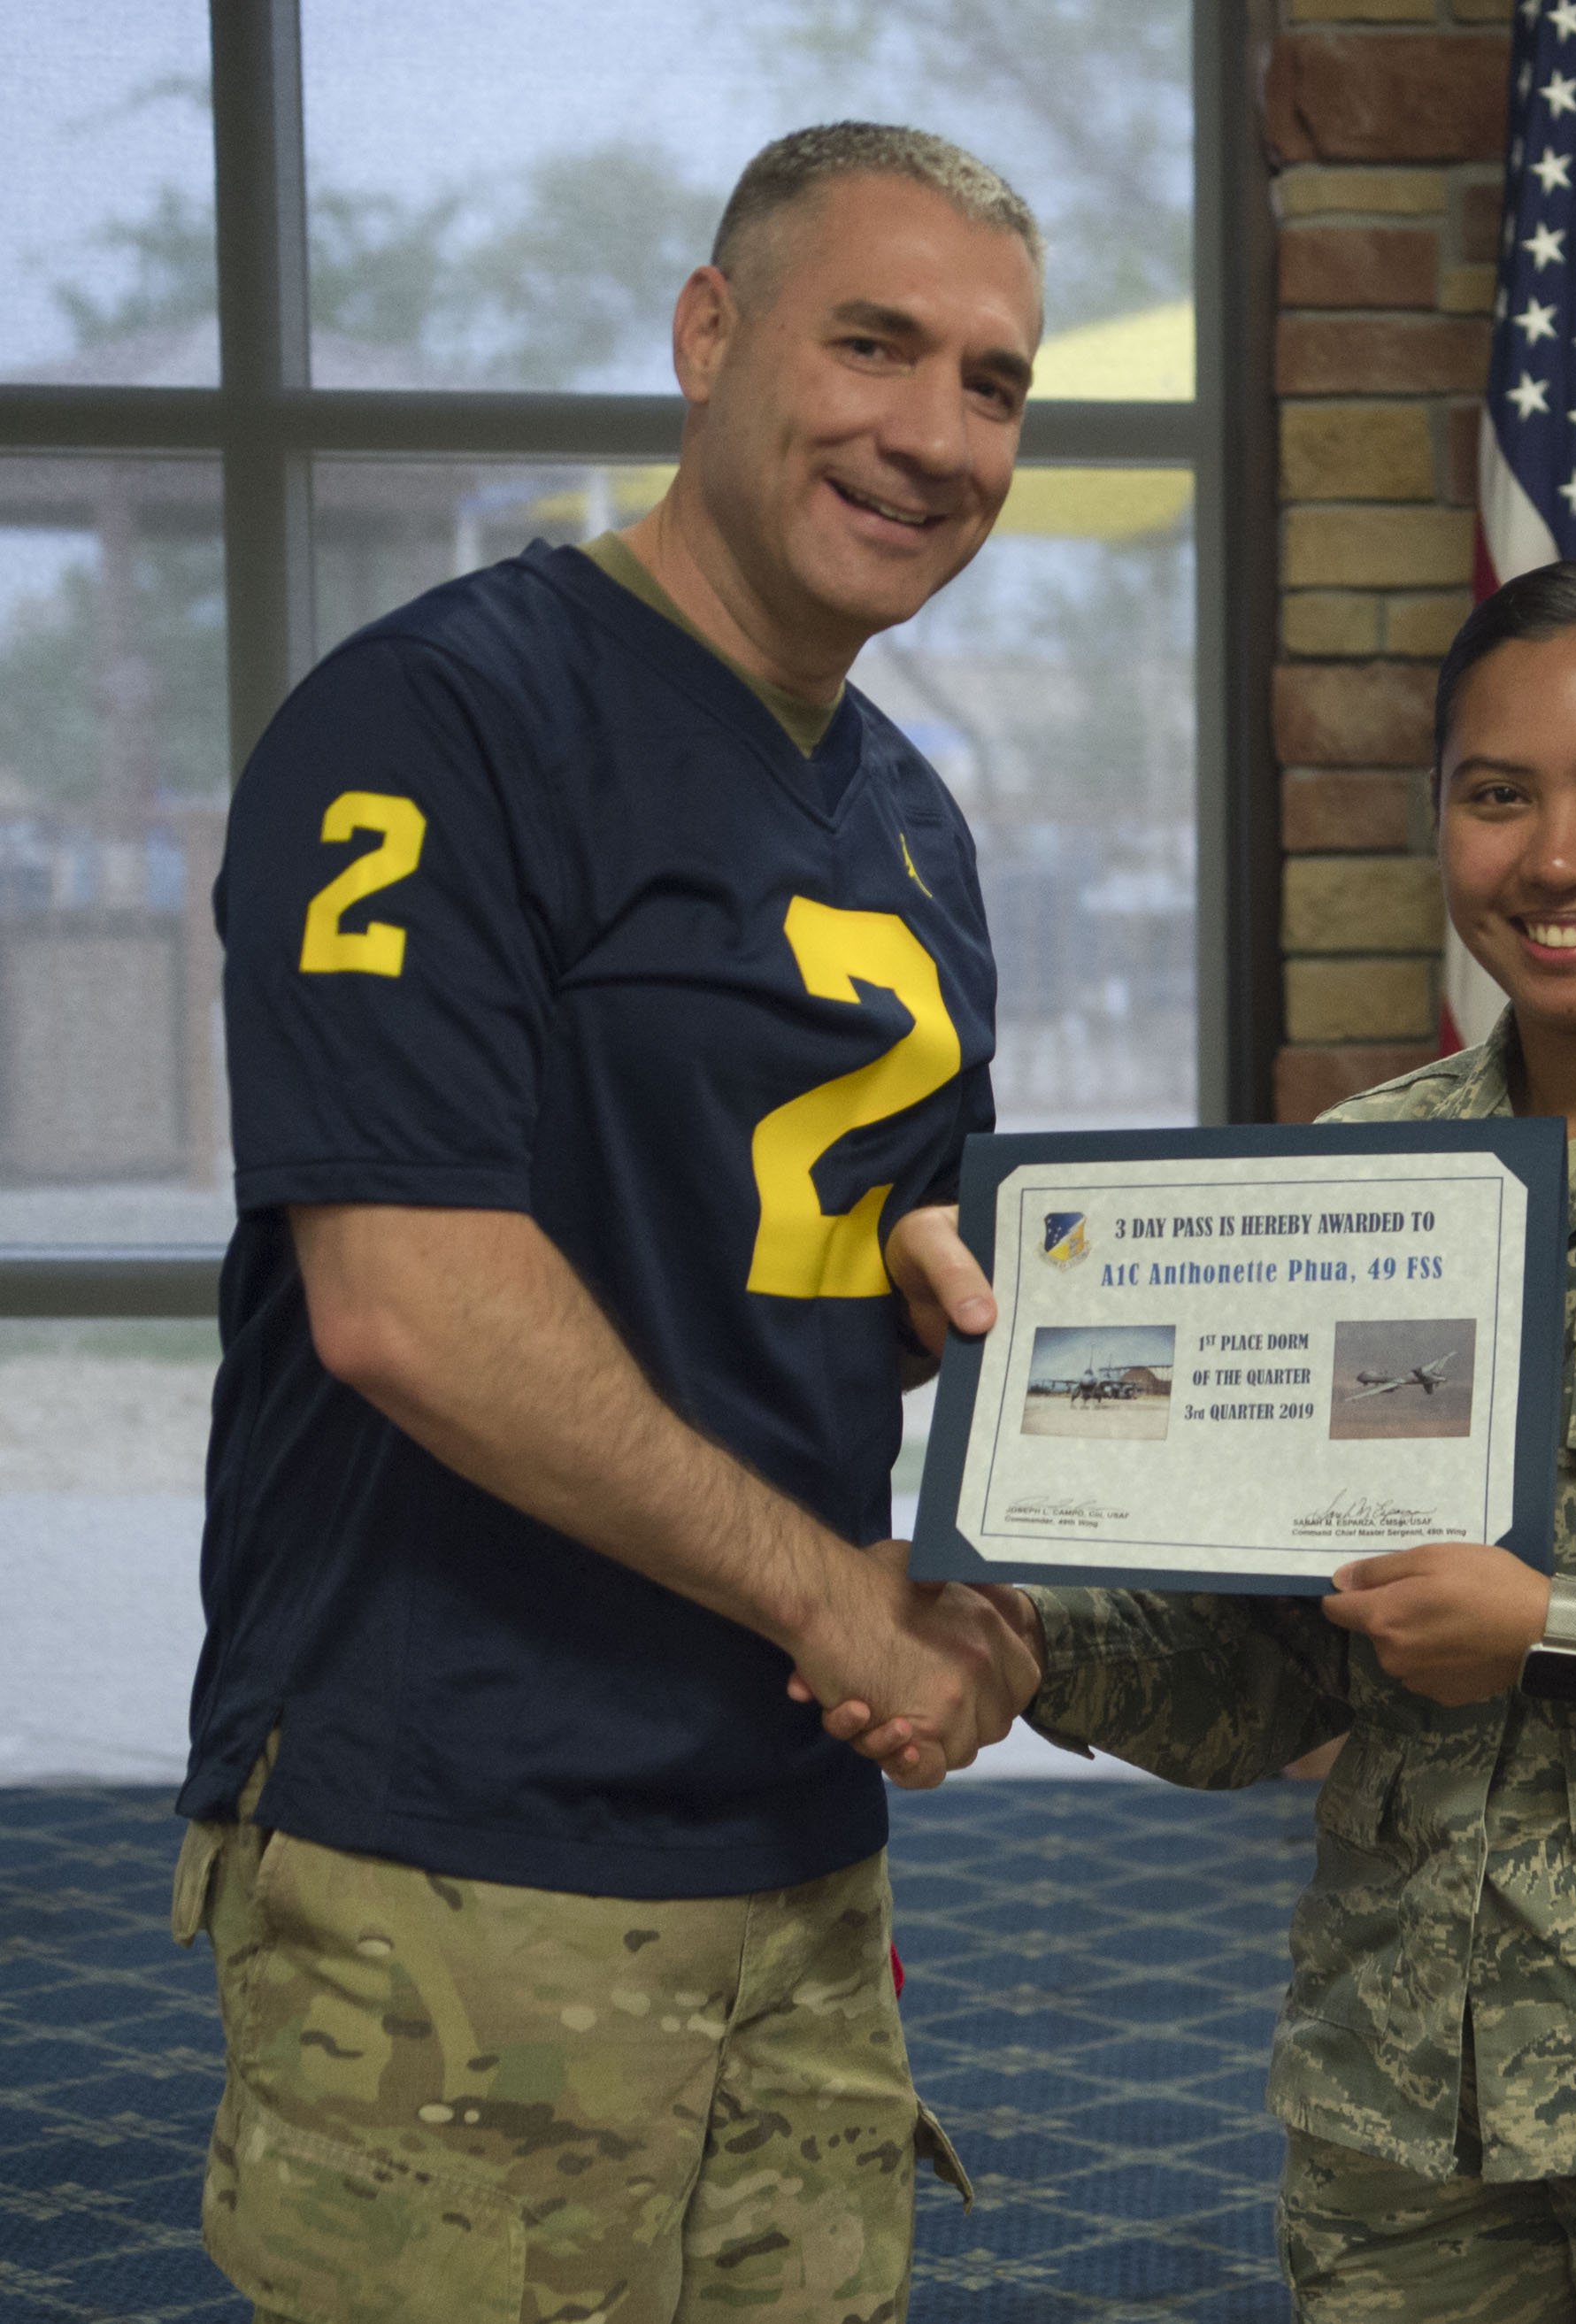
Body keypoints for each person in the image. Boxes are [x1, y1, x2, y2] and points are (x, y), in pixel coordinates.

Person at [824, 559, 1576, 2319]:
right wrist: (1025, 1637)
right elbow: (1272, 1665)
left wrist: (1552, 1626)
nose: (1558, 857)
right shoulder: (1370, 1176)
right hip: (1409, 2113)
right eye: (1498, 795)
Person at [174, 122, 1050, 2324]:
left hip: (789, 1837)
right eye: (874, 345)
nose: (932, 435)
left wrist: (1016, 1504)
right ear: (708, 333)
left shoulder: (910, 816)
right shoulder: (442, 715)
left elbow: (905, 1261)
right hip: (458, 1840)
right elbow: (407, 1305)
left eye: (992, 381)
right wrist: (847, 1607)